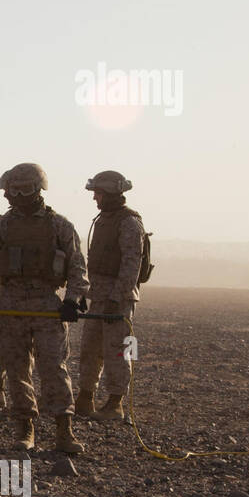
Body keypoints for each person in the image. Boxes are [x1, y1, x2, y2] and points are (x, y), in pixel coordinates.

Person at [0, 163, 89, 453]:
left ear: (33, 189)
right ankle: (25, 429)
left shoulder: (59, 225)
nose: (10, 196)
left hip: (47, 305)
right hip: (10, 306)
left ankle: (65, 431)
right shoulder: (2, 226)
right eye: (10, 190)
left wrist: (72, 301)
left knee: (53, 368)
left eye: (17, 190)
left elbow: (77, 267)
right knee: (16, 371)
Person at [77, 170, 145, 422]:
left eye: (99, 193)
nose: (95, 198)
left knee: (118, 350)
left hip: (119, 298)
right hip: (99, 295)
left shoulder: (129, 223)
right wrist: (86, 292)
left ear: (111, 194)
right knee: (90, 348)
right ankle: (85, 397)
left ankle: (115, 403)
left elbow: (131, 264)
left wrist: (117, 299)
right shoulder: (104, 220)